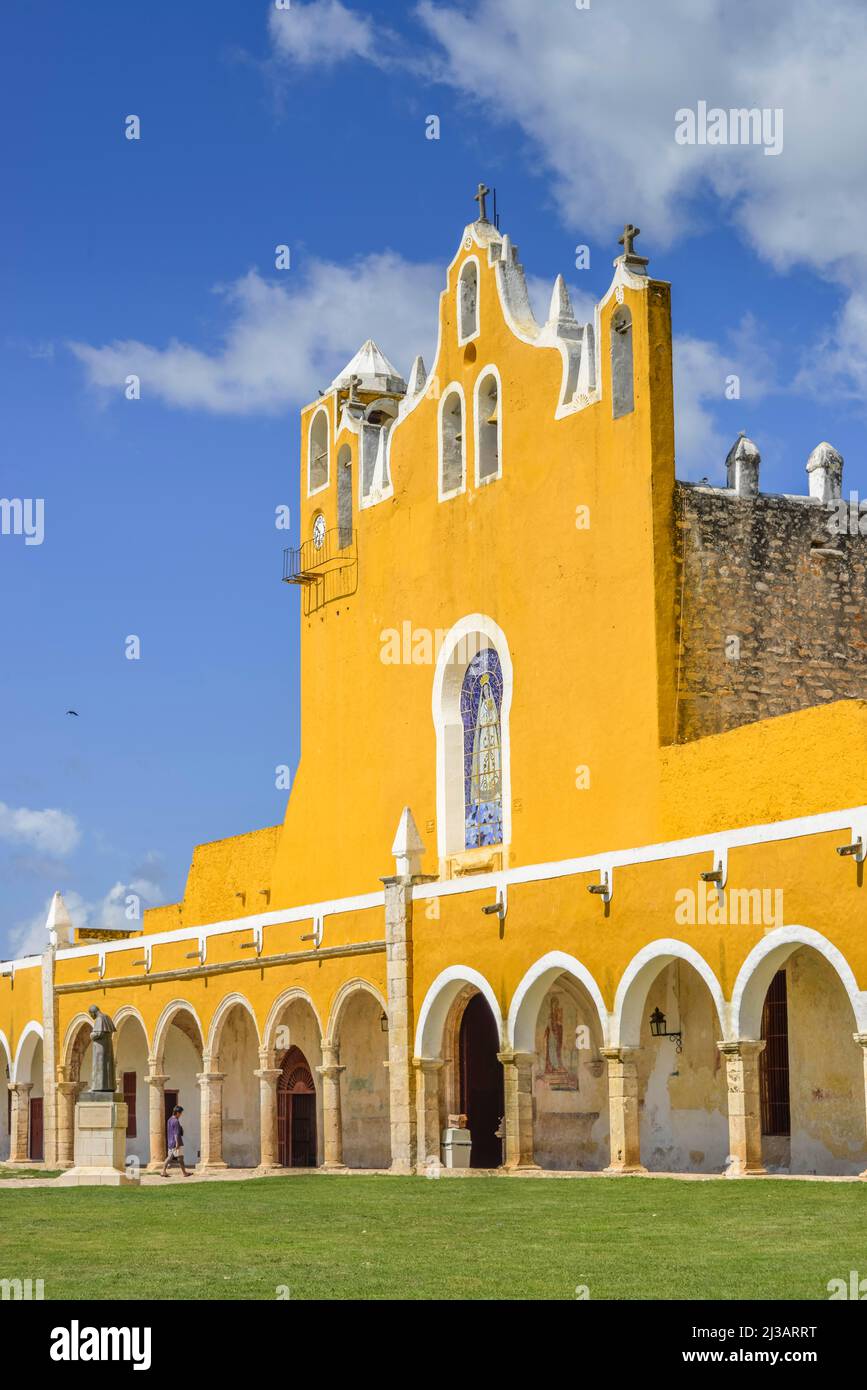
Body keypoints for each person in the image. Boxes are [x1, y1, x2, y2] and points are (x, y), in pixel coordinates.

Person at [160, 1105, 193, 1178]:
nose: (181, 1115)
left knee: (169, 1157)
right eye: (180, 1113)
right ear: (177, 1113)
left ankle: (163, 1171)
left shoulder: (169, 1120)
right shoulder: (176, 1121)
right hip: (176, 1142)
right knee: (180, 1158)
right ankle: (184, 1173)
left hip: (170, 1142)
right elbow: (176, 1133)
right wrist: (177, 1143)